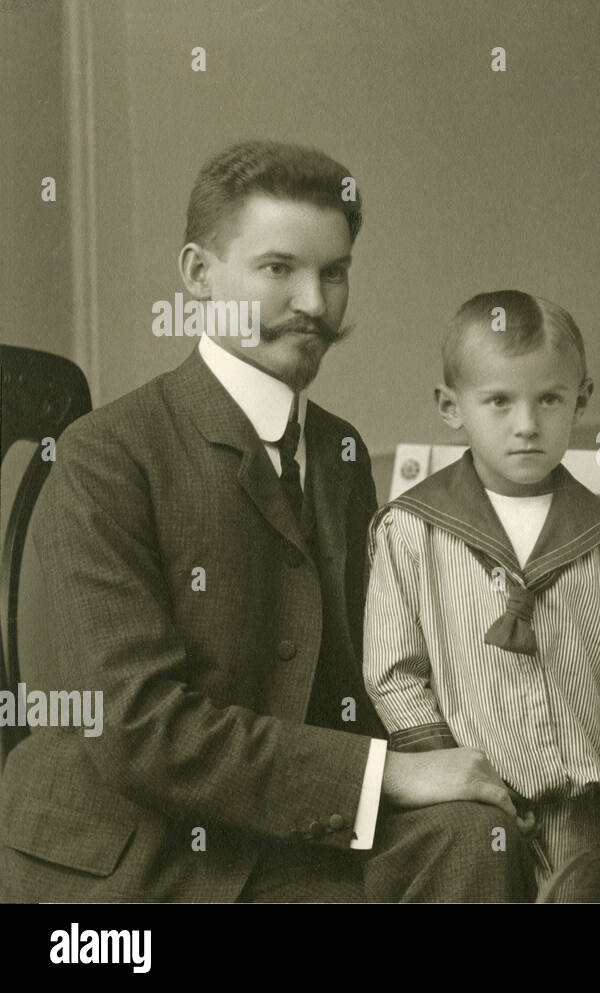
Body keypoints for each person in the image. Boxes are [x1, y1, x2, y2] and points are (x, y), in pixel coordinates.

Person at [0, 141, 536, 902]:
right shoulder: (105, 456)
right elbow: (139, 728)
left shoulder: (339, 451)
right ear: (197, 275)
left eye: (334, 272)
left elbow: (367, 674)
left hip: (277, 827)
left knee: (476, 838)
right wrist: (388, 775)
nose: (315, 304)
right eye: (279, 269)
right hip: (133, 852)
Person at [363, 290, 600, 900]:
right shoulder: (413, 530)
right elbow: (393, 673)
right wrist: (447, 768)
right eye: (499, 401)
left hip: (583, 813)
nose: (527, 425)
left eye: (550, 399)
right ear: (451, 407)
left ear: (581, 399)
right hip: (467, 806)